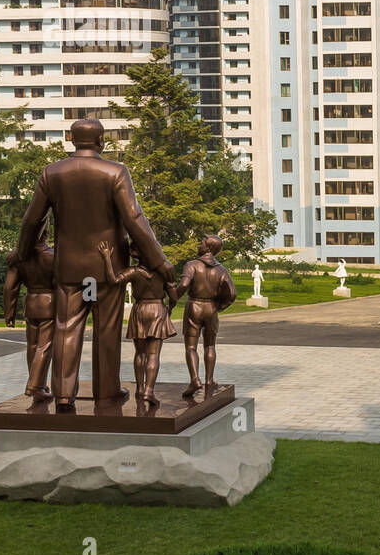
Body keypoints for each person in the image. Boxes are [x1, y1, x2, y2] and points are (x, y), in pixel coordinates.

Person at [15, 117, 172, 411]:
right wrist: (158, 260)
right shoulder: (115, 172)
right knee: (106, 330)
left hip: (70, 268)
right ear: (101, 141)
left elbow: (32, 221)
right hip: (107, 268)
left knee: (66, 328)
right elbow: (134, 220)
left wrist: (22, 253)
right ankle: (106, 391)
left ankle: (63, 394)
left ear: (71, 140)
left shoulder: (52, 173)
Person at [98, 239, 179, 406]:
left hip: (139, 310)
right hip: (157, 309)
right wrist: (169, 309)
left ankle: (140, 389)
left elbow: (113, 281)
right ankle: (150, 390)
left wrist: (106, 258)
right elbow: (174, 297)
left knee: (140, 353)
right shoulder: (163, 271)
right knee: (153, 354)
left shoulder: (133, 272)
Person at [176, 235, 237, 397]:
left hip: (194, 306)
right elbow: (232, 293)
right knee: (210, 346)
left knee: (191, 347)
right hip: (211, 308)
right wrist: (221, 306)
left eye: (201, 243)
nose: (198, 245)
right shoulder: (222, 270)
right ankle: (209, 380)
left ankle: (195, 380)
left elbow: (183, 285)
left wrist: (172, 300)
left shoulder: (192, 265)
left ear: (209, 248)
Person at [3, 218, 55, 403]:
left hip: (31, 303)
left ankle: (37, 382)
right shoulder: (54, 256)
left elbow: (10, 287)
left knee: (32, 346)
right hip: (50, 304)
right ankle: (35, 386)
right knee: (45, 346)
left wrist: (9, 313)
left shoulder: (18, 258)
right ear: (46, 234)